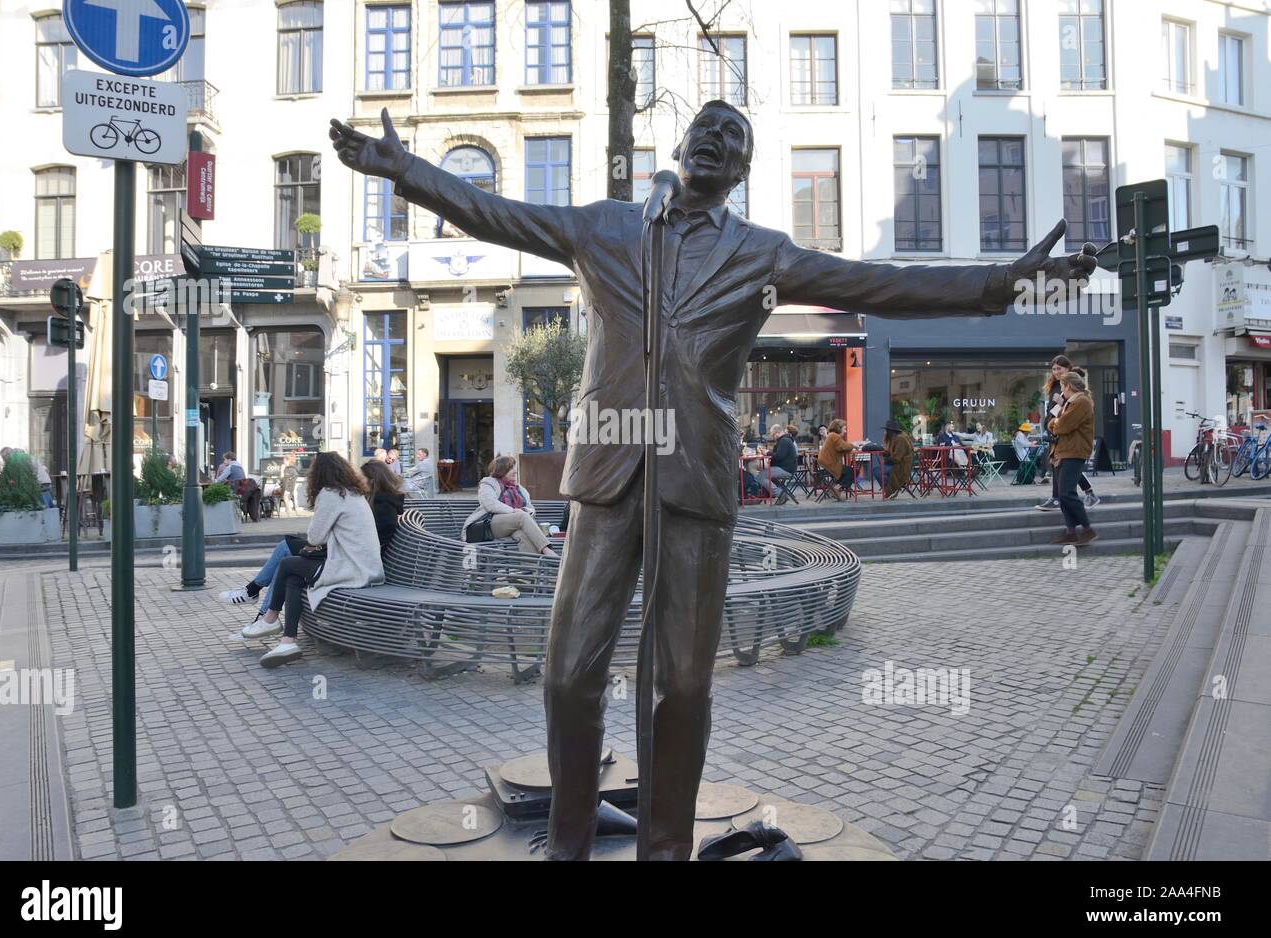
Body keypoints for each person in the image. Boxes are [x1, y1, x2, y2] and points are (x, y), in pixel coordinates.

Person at [331, 97, 1095, 861]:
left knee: (685, 686)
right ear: (683, 145)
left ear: (741, 170)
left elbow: (880, 284)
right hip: (606, 477)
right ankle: (568, 844)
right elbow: (500, 215)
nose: (716, 140)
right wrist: (408, 173)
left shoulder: (762, 256)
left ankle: (665, 851)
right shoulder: (607, 229)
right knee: (567, 676)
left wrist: (1009, 284)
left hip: (695, 483)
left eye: (733, 137)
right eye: (707, 127)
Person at [242, 452, 385, 668]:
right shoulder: (352, 493)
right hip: (362, 564)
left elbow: (315, 537)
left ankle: (270, 618)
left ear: (318, 474)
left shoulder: (330, 494)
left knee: (287, 564)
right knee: (293, 578)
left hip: (352, 568)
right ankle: (287, 642)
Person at [1035, 358, 1099, 511]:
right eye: (1054, 369)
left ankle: (1060, 499)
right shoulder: (1056, 385)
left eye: (1059, 369)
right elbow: (1055, 409)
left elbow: (1067, 411)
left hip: (1062, 432)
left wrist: (1056, 413)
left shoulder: (1071, 388)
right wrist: (1050, 421)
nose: (1056, 372)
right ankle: (1071, 496)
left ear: (1067, 369)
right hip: (1055, 428)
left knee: (1064, 466)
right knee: (1061, 466)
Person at [462, 455, 557, 557]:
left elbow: (530, 508)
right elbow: (490, 504)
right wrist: (515, 511)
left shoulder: (518, 488)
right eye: (511, 468)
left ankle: (531, 566)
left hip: (510, 525)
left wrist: (525, 510)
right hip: (486, 525)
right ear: (501, 470)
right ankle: (546, 550)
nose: (515, 471)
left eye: (514, 468)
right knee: (522, 517)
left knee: (522, 534)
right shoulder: (488, 483)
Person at [1049, 372, 1097, 546]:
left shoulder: (1081, 402)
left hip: (1074, 452)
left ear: (1068, 386)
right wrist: (1058, 418)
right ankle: (1071, 532)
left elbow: (1061, 426)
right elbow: (1051, 423)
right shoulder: (1069, 403)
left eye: (1062, 386)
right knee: (1063, 494)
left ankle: (1087, 529)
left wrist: (1057, 422)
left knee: (1067, 493)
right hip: (1063, 452)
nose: (1061, 390)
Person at [818, 418, 857, 499]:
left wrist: (850, 446)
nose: (845, 431)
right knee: (853, 471)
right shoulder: (834, 436)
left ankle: (835, 489)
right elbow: (842, 446)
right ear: (839, 428)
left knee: (847, 471)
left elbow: (841, 447)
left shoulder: (832, 435)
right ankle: (836, 488)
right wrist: (854, 445)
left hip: (826, 463)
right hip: (830, 464)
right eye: (844, 429)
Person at [766, 423, 798, 504]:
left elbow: (779, 456)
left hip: (786, 469)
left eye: (773, 435)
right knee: (767, 473)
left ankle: (781, 495)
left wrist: (767, 453)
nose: (772, 438)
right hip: (786, 467)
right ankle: (781, 494)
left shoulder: (784, 441)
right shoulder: (784, 440)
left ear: (777, 433)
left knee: (763, 476)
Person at [882, 421, 914, 497]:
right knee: (879, 469)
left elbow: (896, 458)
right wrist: (885, 452)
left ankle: (891, 487)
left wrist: (887, 459)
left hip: (901, 467)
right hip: (898, 464)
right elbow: (892, 452)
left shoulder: (900, 439)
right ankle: (889, 487)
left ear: (890, 431)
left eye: (886, 430)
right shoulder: (896, 438)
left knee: (878, 471)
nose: (885, 432)